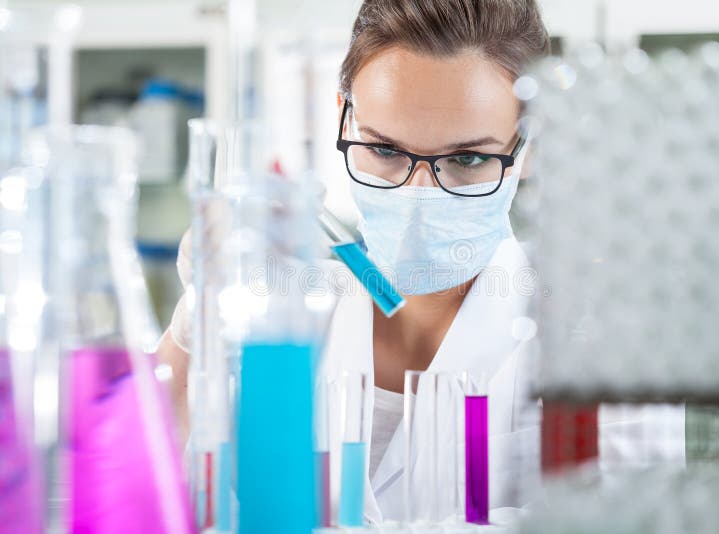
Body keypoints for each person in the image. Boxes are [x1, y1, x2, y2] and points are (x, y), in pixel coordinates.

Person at [159, 0, 552, 523]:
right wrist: (194, 328)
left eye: (467, 158)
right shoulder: (277, 312)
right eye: (385, 150)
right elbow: (142, 483)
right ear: (344, 115)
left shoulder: (585, 333)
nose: (418, 194)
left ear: (529, 143)